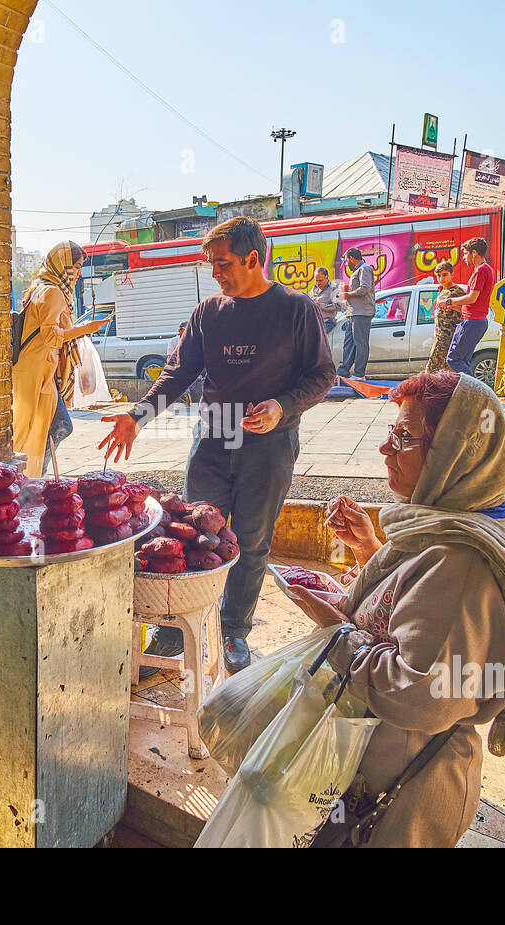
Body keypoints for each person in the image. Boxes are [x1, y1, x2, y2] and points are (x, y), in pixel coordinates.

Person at [286, 370, 505, 847]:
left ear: (454, 451)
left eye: (404, 437)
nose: (386, 450)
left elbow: (418, 694)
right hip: (378, 759)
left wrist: (336, 631)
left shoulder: (461, 559)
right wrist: (370, 552)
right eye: (391, 433)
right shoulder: (456, 522)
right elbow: (423, 612)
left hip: (404, 789)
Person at [99, 217, 336, 673]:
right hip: (213, 436)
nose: (215, 273)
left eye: (223, 263)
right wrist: (137, 416)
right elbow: (177, 374)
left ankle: (233, 630)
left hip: (270, 444)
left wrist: (282, 406)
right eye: (211, 264)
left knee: (250, 541)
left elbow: (323, 375)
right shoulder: (209, 312)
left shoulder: (295, 309)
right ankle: (172, 631)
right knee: (188, 535)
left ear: (253, 259)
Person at [12, 242, 105, 477]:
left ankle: (30, 476)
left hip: (38, 370)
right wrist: (86, 328)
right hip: (36, 371)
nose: (79, 272)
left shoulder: (43, 287)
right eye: (76, 266)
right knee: (57, 426)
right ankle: (32, 477)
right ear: (62, 266)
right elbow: (52, 336)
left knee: (42, 427)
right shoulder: (52, 292)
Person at [439, 237, 495, 377]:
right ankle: (467, 391)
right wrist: (454, 307)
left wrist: (449, 301)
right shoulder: (487, 269)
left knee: (454, 359)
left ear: (474, 253)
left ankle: (474, 390)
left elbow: (472, 298)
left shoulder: (481, 271)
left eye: (465, 253)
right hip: (475, 320)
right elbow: (475, 303)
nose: (463, 257)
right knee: (463, 360)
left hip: (472, 322)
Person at [337, 248, 376, 379]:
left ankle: (359, 374)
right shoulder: (357, 270)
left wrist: (348, 294)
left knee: (360, 344)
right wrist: (345, 292)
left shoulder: (365, 268)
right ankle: (343, 372)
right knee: (349, 344)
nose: (346, 263)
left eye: (346, 260)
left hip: (362, 313)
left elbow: (365, 288)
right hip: (352, 313)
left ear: (352, 258)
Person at [425, 261, 467, 373]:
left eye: (445, 275)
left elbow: (467, 310)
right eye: (439, 275)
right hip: (440, 335)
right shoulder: (443, 290)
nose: (441, 278)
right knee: (439, 369)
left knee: (434, 369)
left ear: (452, 274)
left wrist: (452, 306)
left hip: (450, 336)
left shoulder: (457, 291)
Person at [309, 267, 342, 335]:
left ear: (327, 278)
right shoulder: (314, 288)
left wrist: (320, 305)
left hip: (327, 322)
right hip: (313, 322)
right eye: (316, 280)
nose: (318, 283)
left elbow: (338, 307)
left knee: (317, 339)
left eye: (320, 280)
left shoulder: (334, 288)